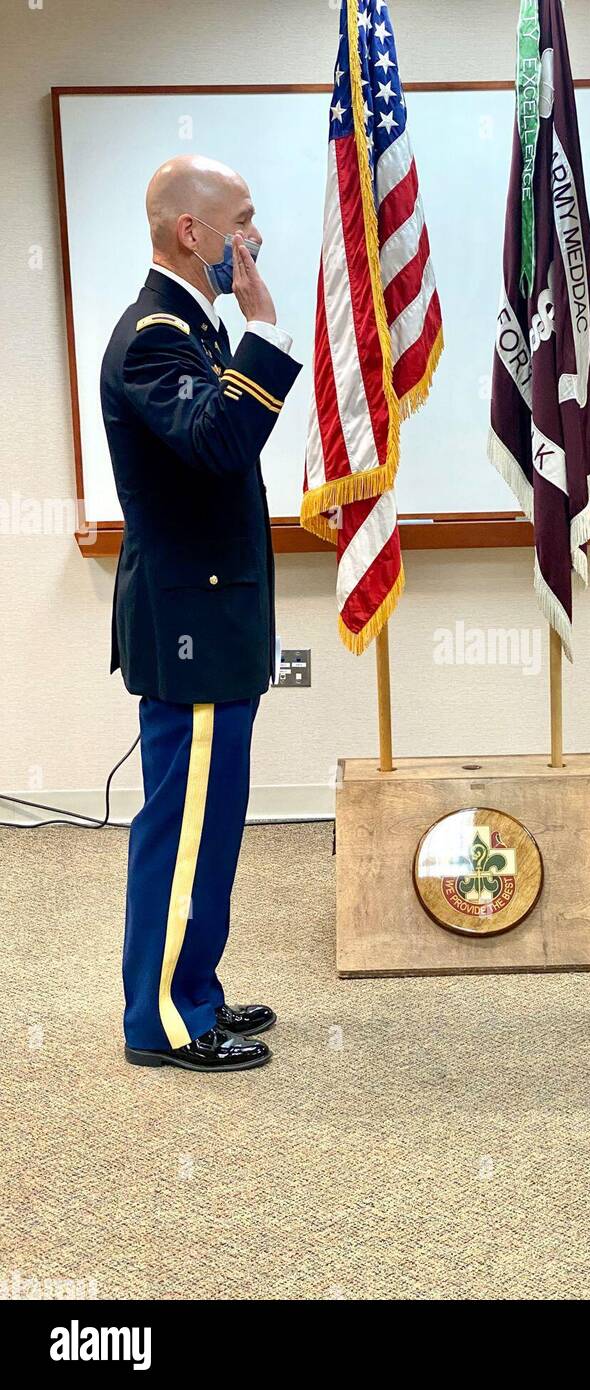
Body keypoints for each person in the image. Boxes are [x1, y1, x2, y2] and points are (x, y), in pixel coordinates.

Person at [101, 155, 302, 1072]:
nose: (255, 237)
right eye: (245, 220)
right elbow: (217, 444)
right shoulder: (155, 335)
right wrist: (264, 330)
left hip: (211, 618)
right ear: (196, 232)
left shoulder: (190, 325)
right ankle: (165, 1021)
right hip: (190, 627)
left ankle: (196, 991)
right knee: (183, 825)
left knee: (209, 823)